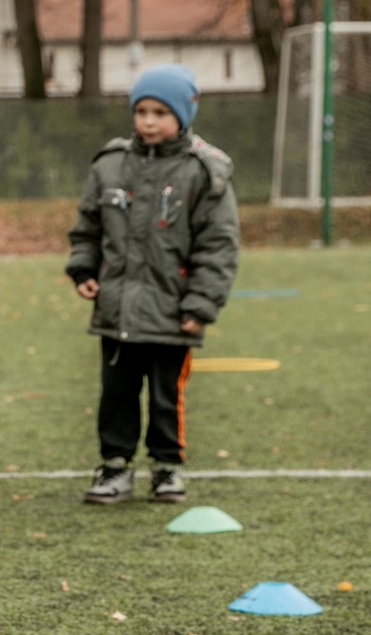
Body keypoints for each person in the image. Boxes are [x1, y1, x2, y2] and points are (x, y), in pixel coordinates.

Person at [66, 65, 240, 506]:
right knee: (117, 394)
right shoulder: (110, 165)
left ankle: (167, 469)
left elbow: (218, 247)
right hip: (117, 311)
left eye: (160, 112)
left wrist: (199, 305)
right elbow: (87, 228)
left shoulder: (204, 172)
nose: (148, 121)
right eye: (141, 110)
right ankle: (115, 467)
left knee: (167, 397)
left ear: (184, 113)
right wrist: (84, 272)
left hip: (173, 312)